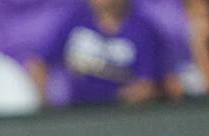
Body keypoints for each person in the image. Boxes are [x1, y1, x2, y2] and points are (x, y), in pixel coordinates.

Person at [29, 0, 163, 106]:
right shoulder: (76, 19)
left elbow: (147, 85)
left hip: (122, 114)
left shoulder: (143, 29)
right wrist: (44, 104)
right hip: (75, 111)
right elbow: (38, 63)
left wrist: (124, 98)